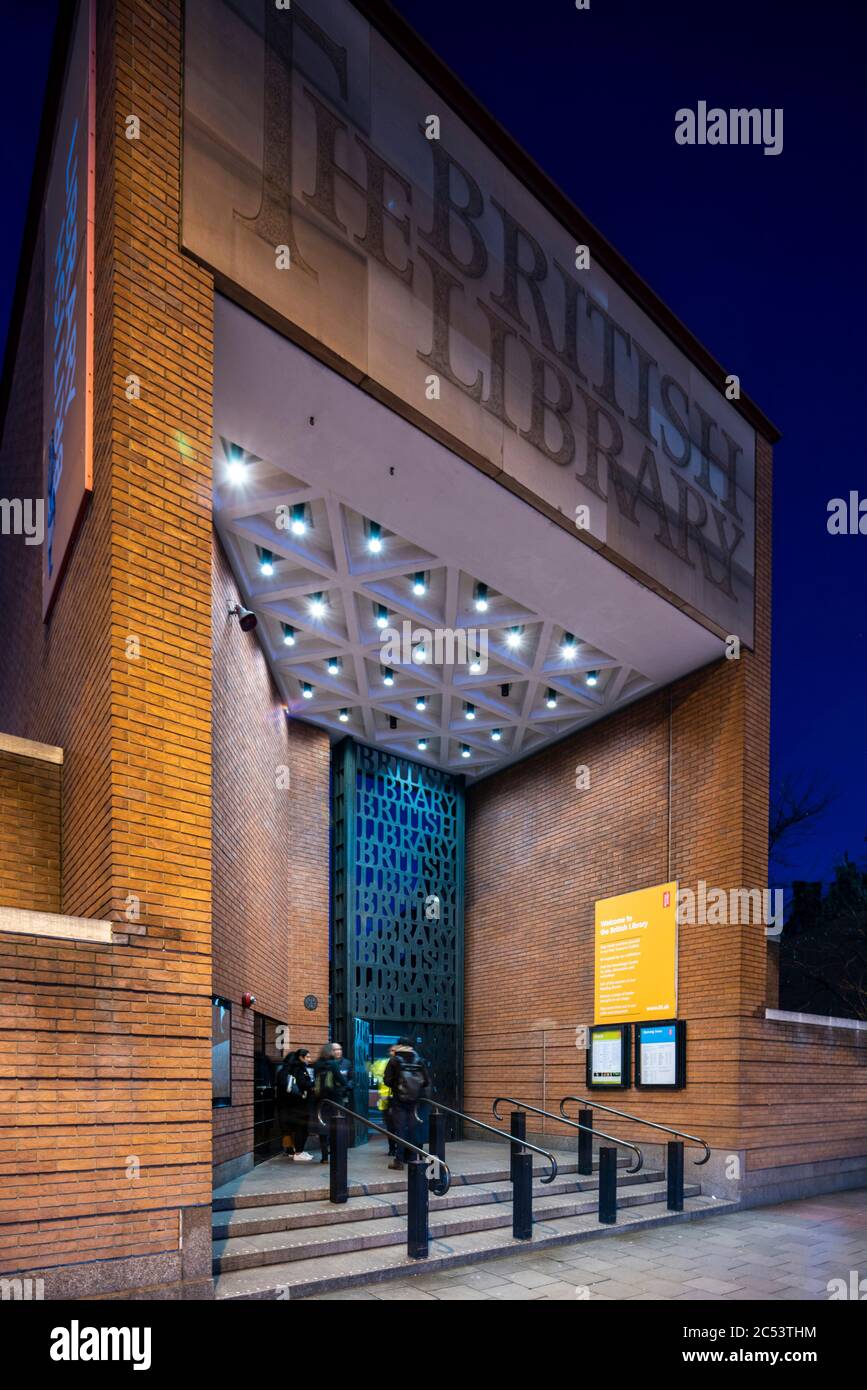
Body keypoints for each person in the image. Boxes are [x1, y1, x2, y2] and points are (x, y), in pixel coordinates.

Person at [383, 1037, 431, 1171]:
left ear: (400, 1045)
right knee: (412, 1128)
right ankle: (413, 1157)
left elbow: (387, 1080)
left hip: (399, 1100)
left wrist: (397, 1085)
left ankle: (399, 1161)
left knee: (400, 1129)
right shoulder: (418, 1060)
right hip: (414, 1101)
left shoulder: (394, 1060)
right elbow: (426, 1081)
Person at [313, 1042, 352, 1163]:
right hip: (335, 1100)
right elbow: (341, 1080)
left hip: (321, 1101)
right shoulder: (334, 1064)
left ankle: (324, 1157)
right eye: (334, 1050)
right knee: (337, 1126)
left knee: (323, 1128)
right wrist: (345, 1087)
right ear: (330, 1052)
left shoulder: (317, 1064)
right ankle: (337, 1155)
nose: (337, 1052)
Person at [274, 1047, 314, 1162]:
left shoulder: (282, 1071)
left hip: (284, 1106)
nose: (309, 1059)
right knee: (300, 1128)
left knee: (287, 1130)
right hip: (297, 1104)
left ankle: (290, 1151)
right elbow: (303, 1084)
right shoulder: (298, 1069)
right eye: (307, 1057)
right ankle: (298, 1151)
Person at [371, 1045, 397, 1156]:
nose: (393, 1052)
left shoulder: (400, 1063)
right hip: (387, 1099)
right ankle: (392, 1148)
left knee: (397, 1126)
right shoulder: (381, 1064)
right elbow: (378, 1078)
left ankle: (397, 1148)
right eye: (391, 1050)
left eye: (395, 1050)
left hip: (397, 1098)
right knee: (391, 1126)